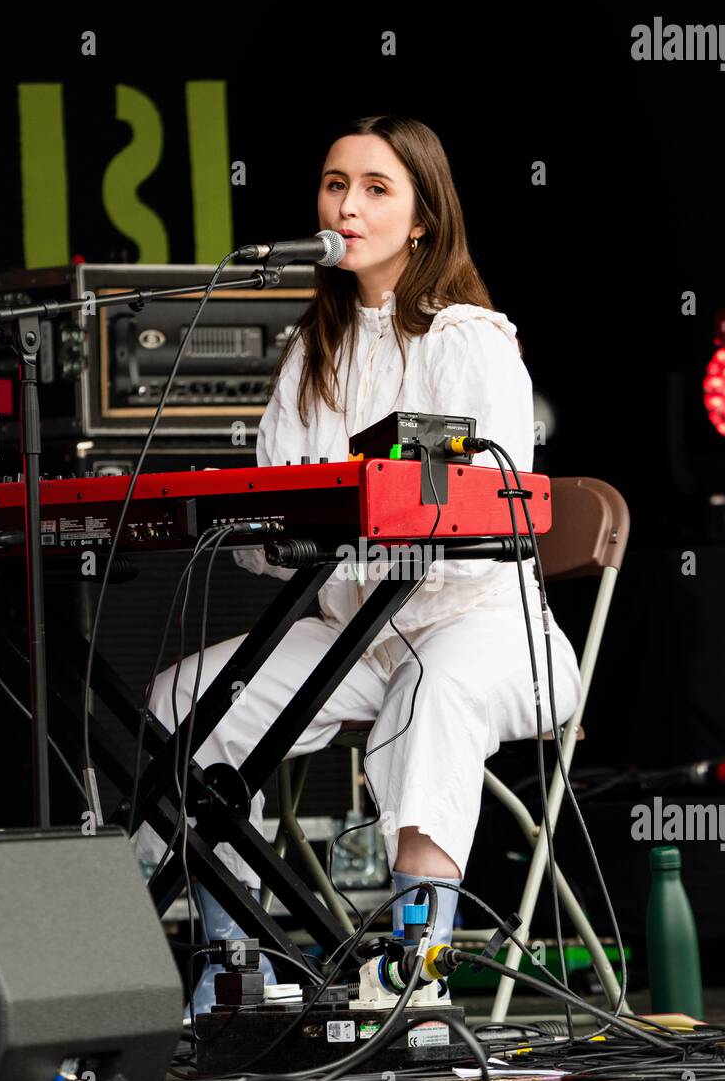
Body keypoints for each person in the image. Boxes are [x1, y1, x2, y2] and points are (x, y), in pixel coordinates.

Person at [132, 114, 583, 1013]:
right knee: (186, 700)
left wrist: (364, 512)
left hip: (481, 629)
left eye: (376, 188)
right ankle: (235, 967)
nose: (347, 205)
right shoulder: (310, 353)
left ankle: (413, 972)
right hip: (353, 639)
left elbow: (487, 508)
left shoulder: (472, 339)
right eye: (336, 184)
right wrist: (263, 526)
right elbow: (278, 530)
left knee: (435, 690)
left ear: (422, 217)